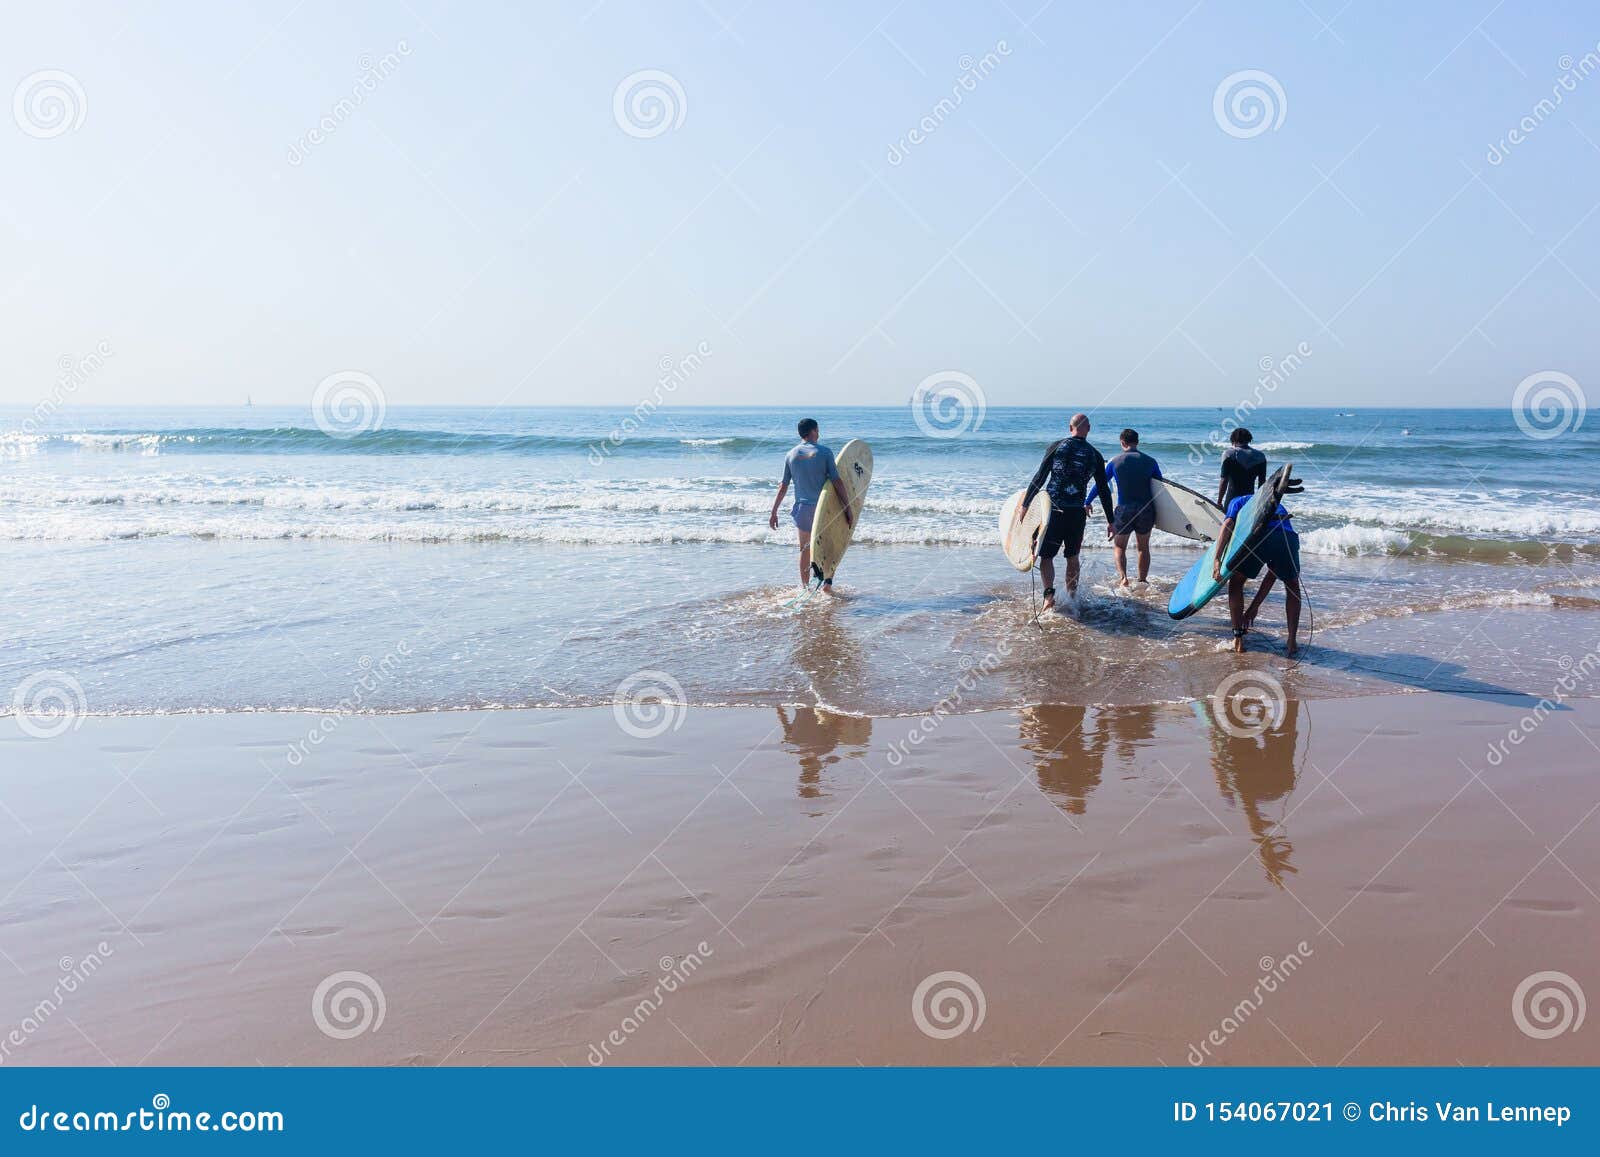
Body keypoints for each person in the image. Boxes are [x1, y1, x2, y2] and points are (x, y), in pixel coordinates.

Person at [1019, 413, 1114, 610]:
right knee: (1072, 557)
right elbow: (1104, 489)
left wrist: (1025, 504)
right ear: (1088, 428)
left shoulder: (1057, 446)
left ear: (1070, 428)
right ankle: (1071, 598)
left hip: (1052, 512)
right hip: (1076, 514)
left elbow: (1040, 476)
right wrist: (1111, 520)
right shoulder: (1095, 455)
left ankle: (1048, 596)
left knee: (1047, 556)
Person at [1212, 492, 1302, 656]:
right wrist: (1254, 608)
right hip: (1287, 538)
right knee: (1293, 588)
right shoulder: (1275, 502)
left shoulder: (1236, 500)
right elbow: (1272, 574)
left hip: (1258, 535)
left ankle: (1238, 639)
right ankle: (1292, 641)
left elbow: (1228, 523)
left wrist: (1217, 559)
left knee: (1236, 583)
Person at [769, 418, 852, 591]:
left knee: (805, 549)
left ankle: (805, 587)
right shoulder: (825, 452)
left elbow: (783, 486)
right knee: (829, 546)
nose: (819, 433)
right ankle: (827, 584)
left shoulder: (791, 455)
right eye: (818, 430)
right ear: (813, 431)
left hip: (803, 509)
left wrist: (774, 511)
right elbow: (836, 481)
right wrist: (848, 505)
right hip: (824, 509)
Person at [1086, 428, 1163, 587]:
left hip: (1124, 509)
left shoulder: (1115, 461)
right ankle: (1142, 580)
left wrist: (1087, 501)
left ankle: (1123, 578)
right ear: (1137, 442)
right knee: (1143, 547)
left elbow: (1101, 485)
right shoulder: (1151, 461)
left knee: (1120, 546)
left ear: (1122, 442)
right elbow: (1160, 487)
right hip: (1146, 509)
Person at [1216, 427, 1267, 508]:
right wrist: (1259, 503)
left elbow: (1224, 480)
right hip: (1250, 500)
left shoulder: (1229, 454)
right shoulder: (1260, 456)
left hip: (1232, 499)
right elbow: (1262, 482)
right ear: (1249, 439)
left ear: (1233, 440)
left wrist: (1219, 502)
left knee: (1229, 518)